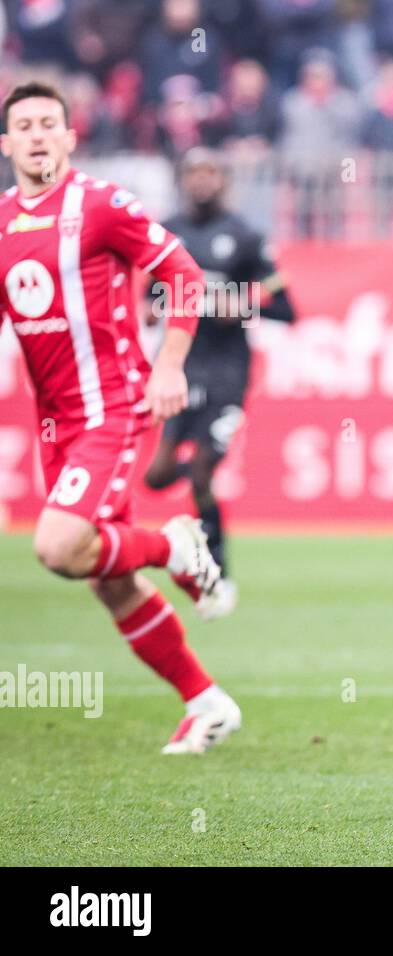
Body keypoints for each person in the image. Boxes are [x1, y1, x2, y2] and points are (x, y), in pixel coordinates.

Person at [0, 81, 241, 754]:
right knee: (107, 580)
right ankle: (206, 702)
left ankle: (175, 546)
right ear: (7, 143)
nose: (39, 134)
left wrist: (169, 364)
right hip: (56, 425)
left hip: (113, 406)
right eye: (25, 125)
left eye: (51, 122)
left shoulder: (102, 205)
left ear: (71, 137)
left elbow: (183, 275)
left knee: (55, 547)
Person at [143, 147, 297, 617]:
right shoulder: (167, 231)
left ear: (223, 180)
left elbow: (287, 309)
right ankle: (186, 538)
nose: (201, 180)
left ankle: (219, 575)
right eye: (193, 172)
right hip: (181, 367)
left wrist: (244, 306)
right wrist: (153, 308)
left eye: (210, 172)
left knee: (206, 473)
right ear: (182, 179)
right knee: (157, 477)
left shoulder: (245, 237)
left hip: (228, 373)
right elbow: (151, 294)